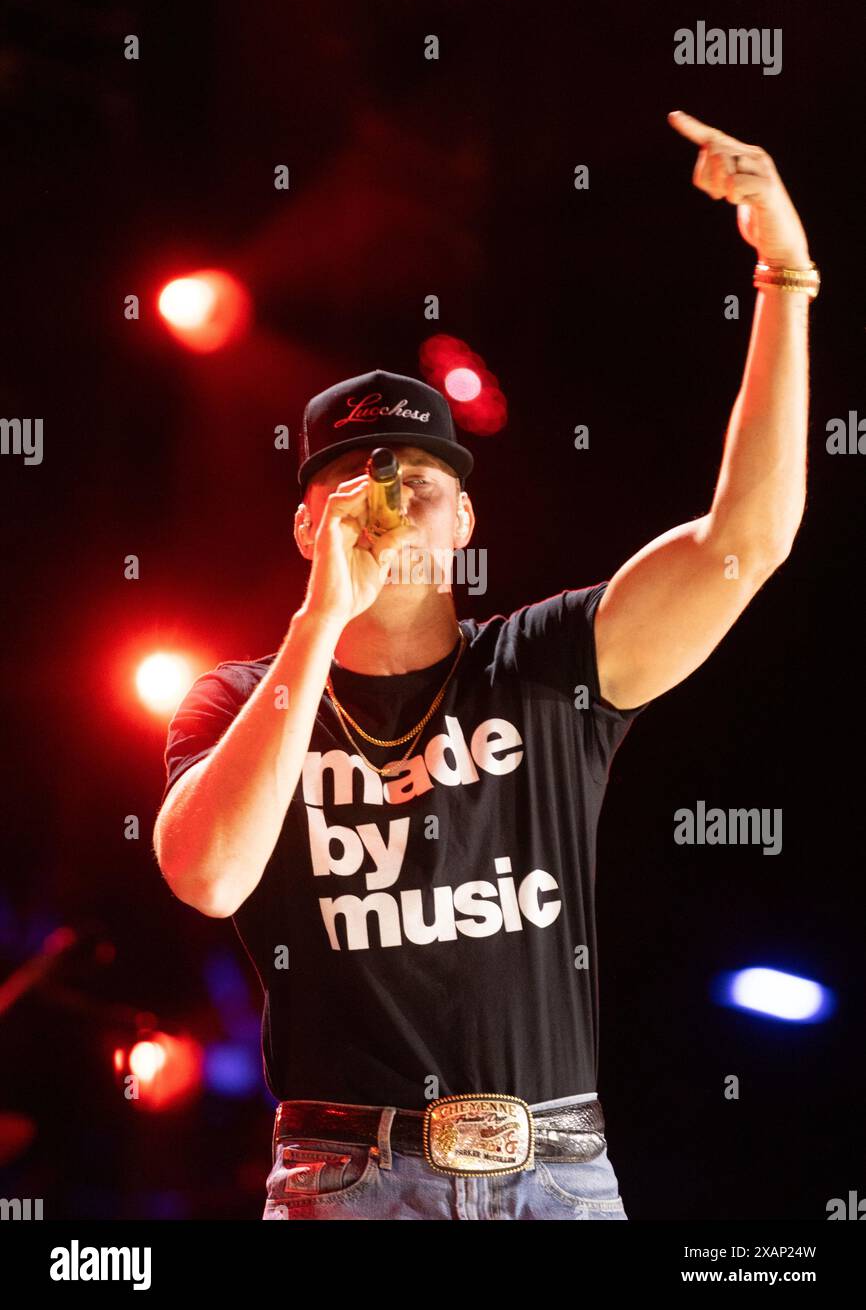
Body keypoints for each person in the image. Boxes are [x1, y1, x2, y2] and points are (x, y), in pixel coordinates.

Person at [153, 112, 817, 1219]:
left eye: (417, 478)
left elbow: (745, 541)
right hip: (346, 1177)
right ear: (304, 525)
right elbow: (208, 874)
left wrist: (783, 275)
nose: (388, 497)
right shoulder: (232, 698)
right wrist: (322, 624)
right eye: (353, 481)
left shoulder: (544, 659)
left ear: (464, 518)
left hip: (555, 1171)